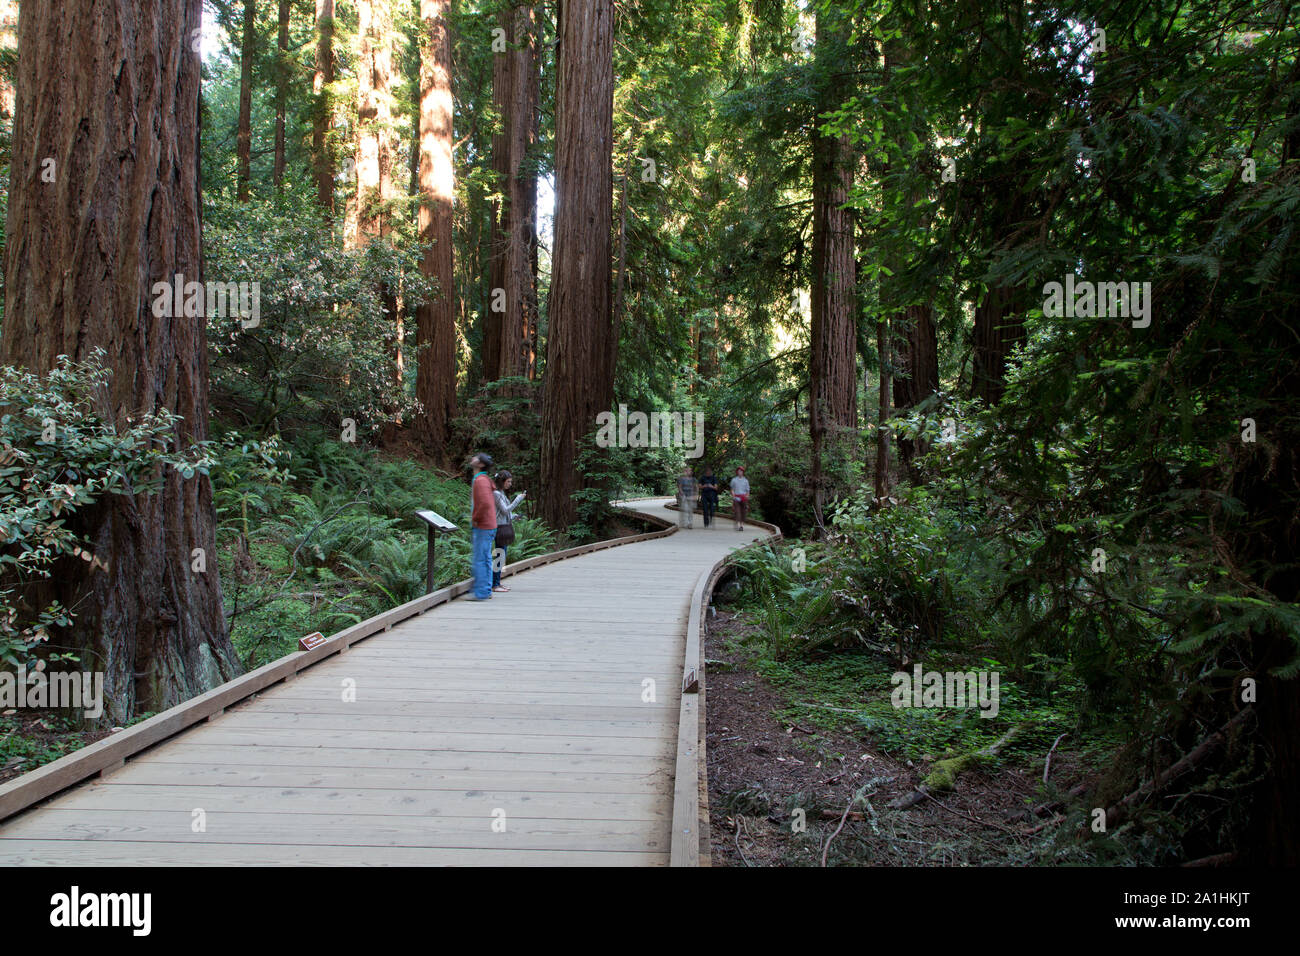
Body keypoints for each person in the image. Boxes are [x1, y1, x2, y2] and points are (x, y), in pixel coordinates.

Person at [491, 471, 526, 593]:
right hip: (499, 528)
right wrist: (518, 500)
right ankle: (495, 584)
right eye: (508, 481)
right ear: (502, 481)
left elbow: (505, 513)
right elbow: (505, 510)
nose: (510, 484)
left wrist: (515, 516)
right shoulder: (496, 494)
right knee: (499, 555)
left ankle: (497, 582)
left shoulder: (501, 493)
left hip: (503, 525)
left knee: (501, 555)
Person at [468, 453, 496, 600]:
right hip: (488, 524)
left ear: (481, 464)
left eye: (476, 458)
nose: (473, 458)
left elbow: (484, 503)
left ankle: (481, 592)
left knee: (480, 559)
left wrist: (475, 518)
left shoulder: (480, 480)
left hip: (483, 525)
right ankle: (485, 589)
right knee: (485, 558)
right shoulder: (483, 480)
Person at [676, 465, 698, 529]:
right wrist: (682, 494)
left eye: (691, 470)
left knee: (690, 510)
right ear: (685, 471)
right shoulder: (681, 479)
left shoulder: (694, 479)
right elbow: (679, 487)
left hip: (691, 496)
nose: (690, 472)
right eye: (688, 470)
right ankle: (684, 523)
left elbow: (696, 487)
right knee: (685, 509)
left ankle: (690, 523)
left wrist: (696, 494)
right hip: (684, 496)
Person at [729, 465, 750, 531]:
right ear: (737, 472)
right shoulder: (734, 480)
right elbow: (732, 489)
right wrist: (733, 495)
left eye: (741, 471)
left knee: (743, 512)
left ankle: (741, 525)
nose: (740, 472)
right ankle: (738, 525)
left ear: (743, 472)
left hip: (743, 497)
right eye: (738, 471)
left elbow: (748, 490)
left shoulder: (745, 480)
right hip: (736, 497)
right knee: (737, 511)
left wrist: (747, 496)